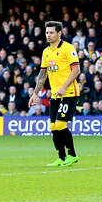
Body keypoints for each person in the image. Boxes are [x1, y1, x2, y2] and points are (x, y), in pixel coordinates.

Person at [28, 21, 81, 167]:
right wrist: (35, 94)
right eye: (47, 32)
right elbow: (42, 74)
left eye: (51, 32)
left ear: (59, 33)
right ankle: (61, 157)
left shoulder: (68, 48)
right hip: (55, 95)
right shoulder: (46, 52)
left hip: (69, 93)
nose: (48, 35)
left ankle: (72, 155)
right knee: (53, 127)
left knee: (60, 124)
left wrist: (64, 87)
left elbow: (76, 70)